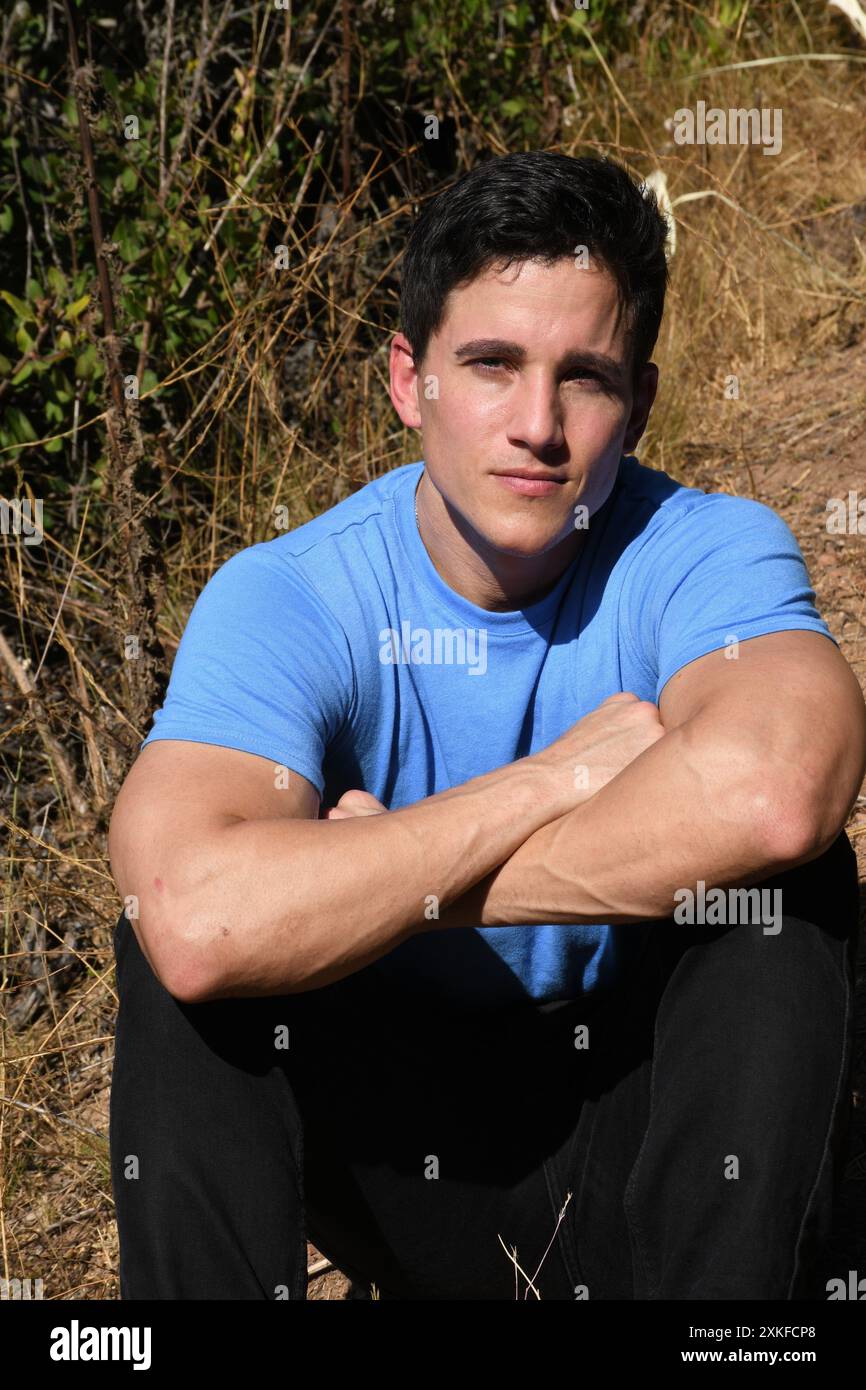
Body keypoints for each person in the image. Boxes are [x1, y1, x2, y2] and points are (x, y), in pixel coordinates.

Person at [107, 150, 866, 1301]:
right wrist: (544, 783)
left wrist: (388, 877)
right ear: (408, 380)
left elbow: (775, 792)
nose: (537, 426)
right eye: (491, 364)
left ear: (641, 402)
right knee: (173, 953)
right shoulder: (294, 592)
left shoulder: (704, 549)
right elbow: (197, 919)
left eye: (586, 377)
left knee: (786, 890)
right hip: (407, 1156)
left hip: (646, 1147)